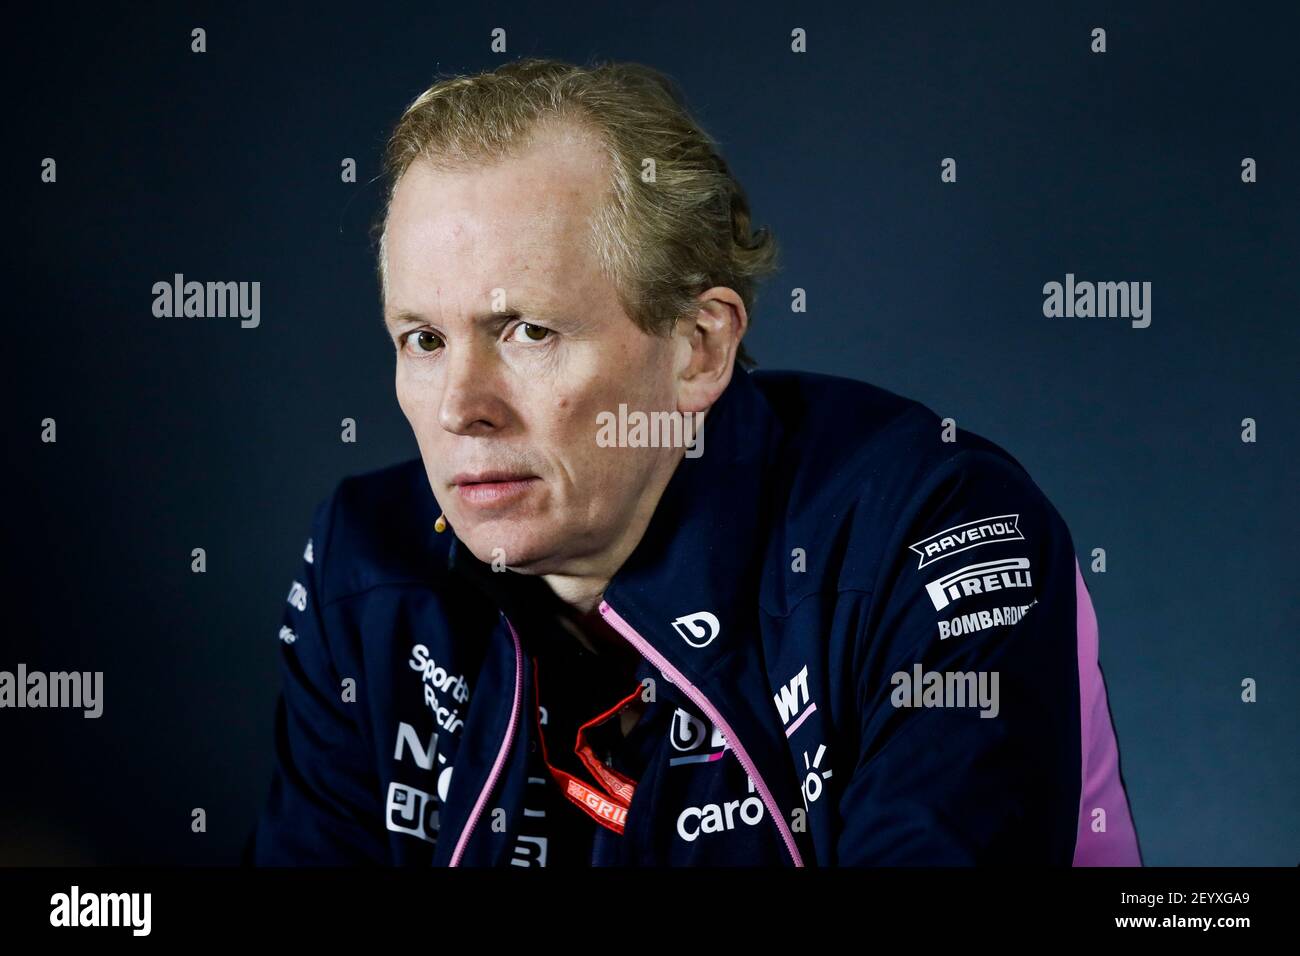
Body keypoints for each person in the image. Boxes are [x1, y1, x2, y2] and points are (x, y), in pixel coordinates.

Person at [248, 57, 1141, 866]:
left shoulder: (935, 527)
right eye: (424, 339)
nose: (459, 408)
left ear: (698, 348)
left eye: (526, 330)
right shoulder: (365, 566)